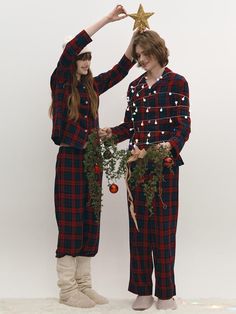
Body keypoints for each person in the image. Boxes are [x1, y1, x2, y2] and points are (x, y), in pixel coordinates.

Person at [49, 5, 135, 308]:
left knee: (89, 222)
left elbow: (120, 71)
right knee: (71, 223)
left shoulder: (92, 87)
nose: (85, 61)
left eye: (88, 57)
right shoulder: (60, 81)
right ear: (71, 59)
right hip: (71, 159)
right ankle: (66, 288)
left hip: (92, 162)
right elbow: (75, 43)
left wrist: (134, 38)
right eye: (80, 57)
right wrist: (108, 20)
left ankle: (84, 285)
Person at [99, 30, 191, 311]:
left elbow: (183, 128)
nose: (141, 59)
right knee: (139, 230)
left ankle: (165, 294)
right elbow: (131, 127)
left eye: (144, 53)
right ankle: (142, 291)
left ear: (157, 50)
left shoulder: (177, 83)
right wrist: (110, 134)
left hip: (164, 167)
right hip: (135, 167)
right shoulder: (135, 86)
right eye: (137, 55)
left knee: (163, 231)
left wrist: (166, 148)